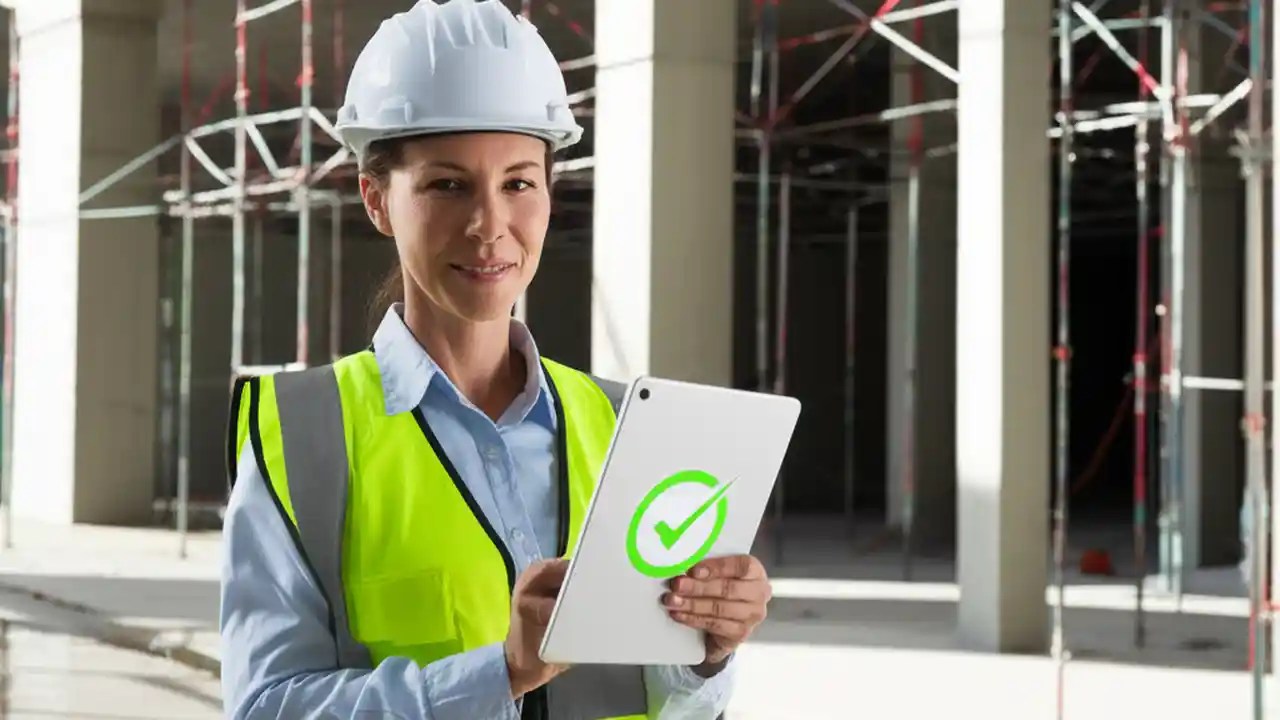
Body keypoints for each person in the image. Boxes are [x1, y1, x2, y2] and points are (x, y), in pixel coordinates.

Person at [218, 1, 773, 718]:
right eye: (447, 185)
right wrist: (499, 673)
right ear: (377, 200)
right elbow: (265, 707)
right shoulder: (300, 437)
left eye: (518, 183)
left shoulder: (622, 425)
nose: (489, 226)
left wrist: (708, 656)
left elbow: (666, 707)